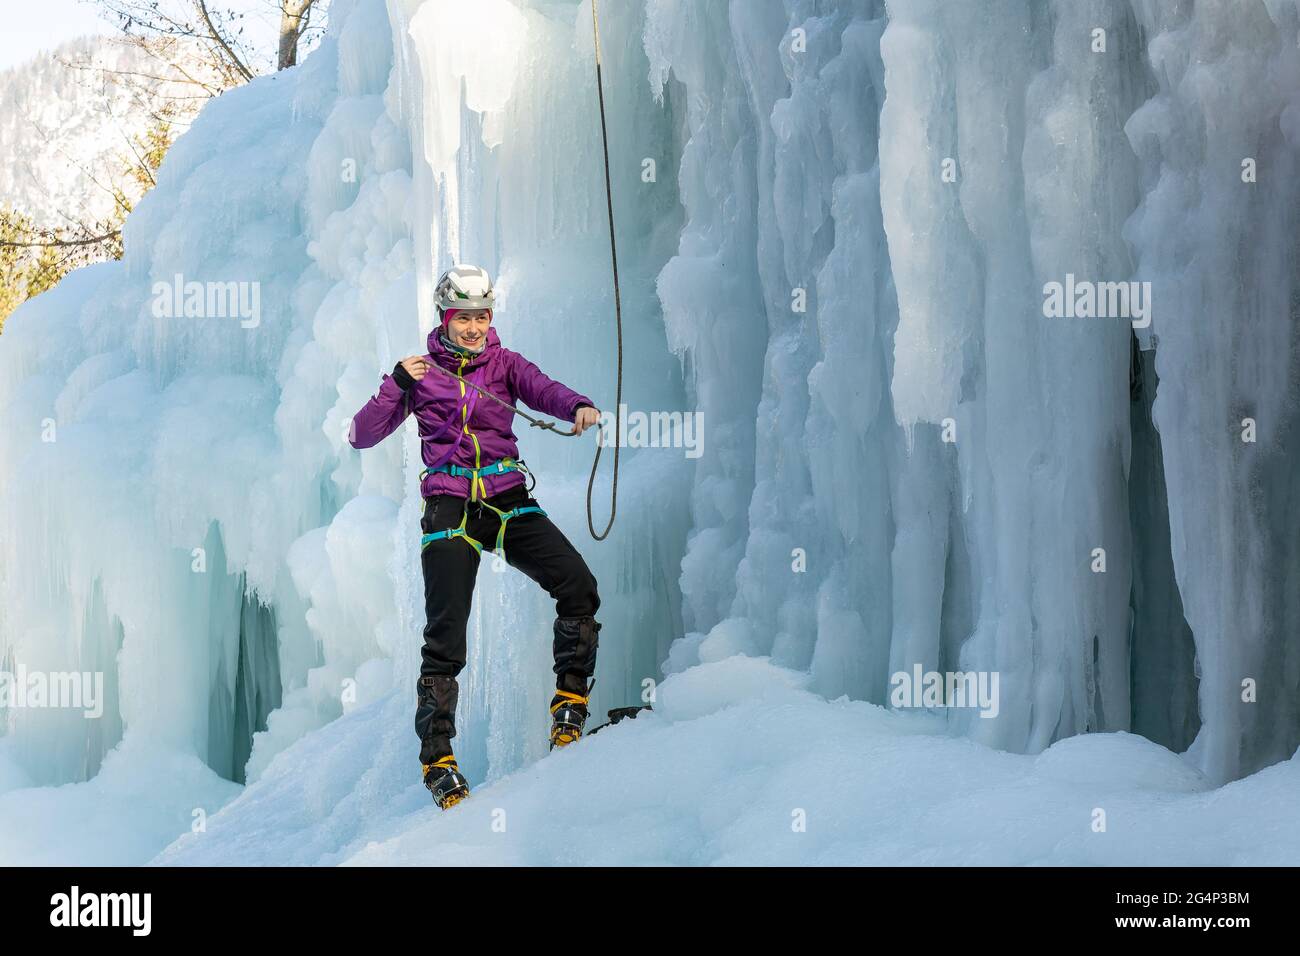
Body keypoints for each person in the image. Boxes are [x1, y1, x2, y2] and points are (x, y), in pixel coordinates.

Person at [349, 264, 604, 809]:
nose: (473, 327)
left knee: (578, 585)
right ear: (445, 318)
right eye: (463, 317)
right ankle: (437, 759)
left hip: (506, 501)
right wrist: (395, 383)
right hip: (449, 506)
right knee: (446, 635)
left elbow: (545, 390)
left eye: (481, 317)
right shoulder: (417, 373)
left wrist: (578, 404)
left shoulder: (504, 364)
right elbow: (361, 434)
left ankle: (569, 705)